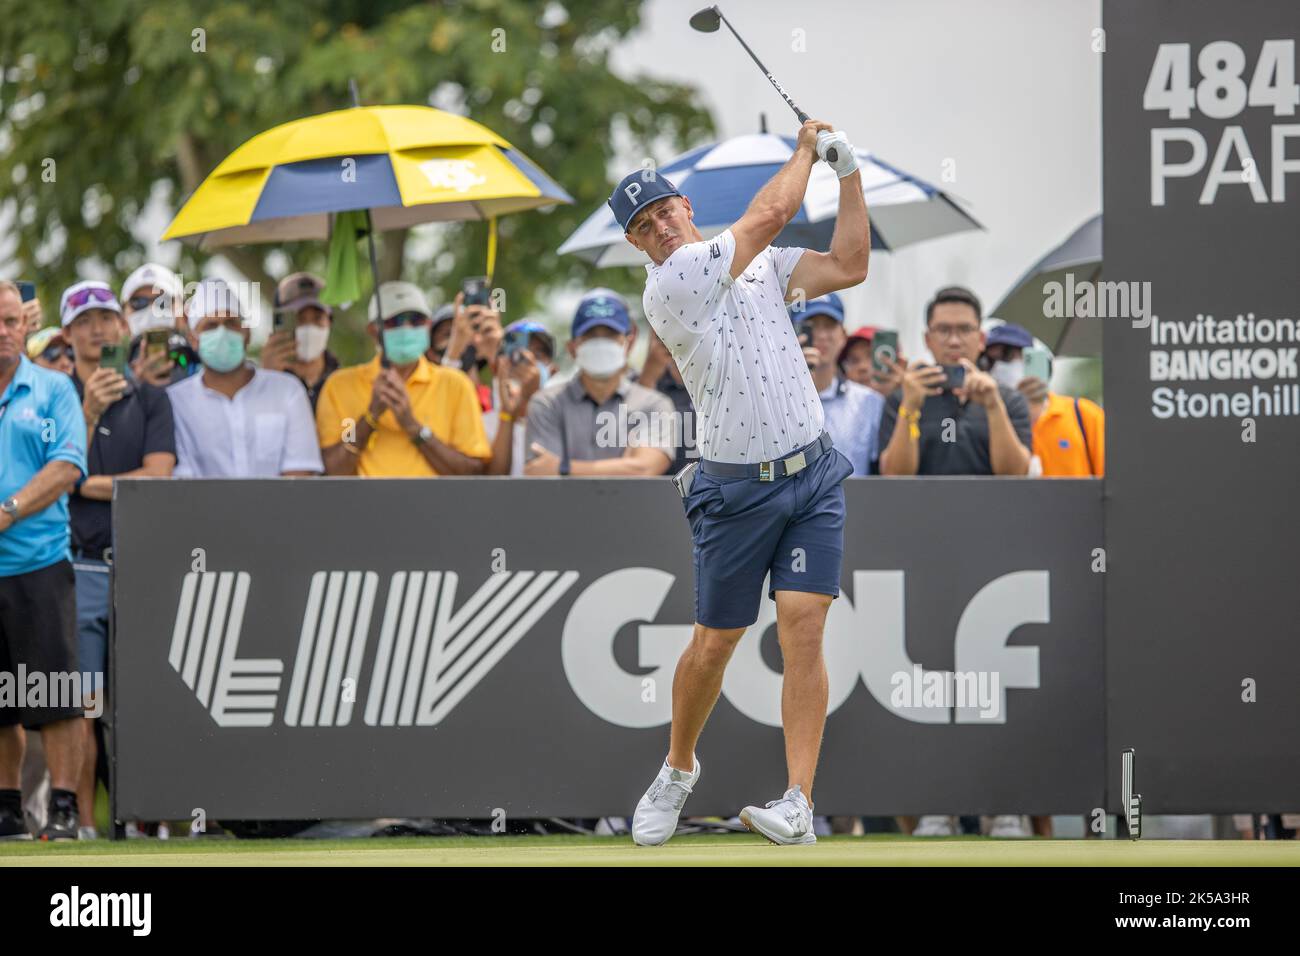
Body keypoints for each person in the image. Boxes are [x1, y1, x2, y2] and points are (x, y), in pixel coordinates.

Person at [618, 117, 869, 846]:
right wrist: (805, 153)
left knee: (804, 624)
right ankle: (678, 768)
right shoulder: (670, 287)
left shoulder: (762, 267)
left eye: (665, 209)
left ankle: (798, 802)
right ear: (637, 245)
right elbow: (768, 214)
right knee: (715, 643)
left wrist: (848, 175)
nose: (660, 226)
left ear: (687, 207)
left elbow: (849, 265)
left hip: (812, 475)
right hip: (733, 491)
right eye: (643, 224)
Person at [60, 281, 176, 838]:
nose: (98, 329)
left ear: (124, 329)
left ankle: (145, 824)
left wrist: (85, 483)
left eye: (106, 318)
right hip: (76, 566)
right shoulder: (54, 395)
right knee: (84, 703)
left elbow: (157, 478)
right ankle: (84, 826)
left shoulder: (152, 398)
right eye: (84, 322)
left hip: (140, 565)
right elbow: (53, 475)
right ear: (67, 334)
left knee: (143, 703)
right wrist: (85, 413)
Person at [0, 279, 88, 840]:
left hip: (39, 564)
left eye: (10, 321)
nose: (3, 333)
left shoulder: (54, 389)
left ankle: (60, 809)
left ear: (26, 325)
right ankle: (7, 807)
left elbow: (67, 466)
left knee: (54, 695)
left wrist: (7, 511)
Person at [316, 281, 491, 477]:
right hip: (365, 506)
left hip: (436, 506)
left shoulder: (455, 384)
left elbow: (474, 471)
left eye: (416, 320)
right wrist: (369, 418)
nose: (407, 328)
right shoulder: (340, 386)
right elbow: (333, 469)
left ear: (427, 325)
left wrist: (414, 427)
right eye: (394, 321)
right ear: (374, 331)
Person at [168, 278, 322, 477]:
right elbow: (183, 485)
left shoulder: (287, 392)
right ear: (193, 339)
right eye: (210, 326)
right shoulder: (176, 401)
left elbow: (298, 477)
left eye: (231, 323)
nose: (222, 332)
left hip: (281, 508)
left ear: (247, 332)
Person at [878, 287, 1032, 477]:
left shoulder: (1009, 400)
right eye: (943, 330)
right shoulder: (902, 399)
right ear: (927, 339)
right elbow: (894, 477)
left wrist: (993, 406)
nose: (954, 341)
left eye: (965, 329)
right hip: (920, 506)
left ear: (981, 338)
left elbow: (1016, 475)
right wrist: (910, 406)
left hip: (990, 506)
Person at [524, 290, 676, 477]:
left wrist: (562, 468)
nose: (601, 341)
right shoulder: (546, 403)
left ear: (628, 343)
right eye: (591, 335)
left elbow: (645, 468)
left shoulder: (655, 404)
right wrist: (625, 465)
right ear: (572, 348)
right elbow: (541, 475)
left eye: (610, 334)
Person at [980, 323, 1106, 477]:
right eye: (989, 361)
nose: (999, 366)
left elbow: (1112, 483)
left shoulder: (1084, 414)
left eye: (1007, 355)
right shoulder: (985, 420)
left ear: (1036, 357)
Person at [790, 293, 884, 476]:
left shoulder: (870, 402)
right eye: (811, 326)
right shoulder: (774, 402)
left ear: (843, 335)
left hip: (856, 503)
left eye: (830, 325)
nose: (822, 335)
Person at [260, 272, 339, 412]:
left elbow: (349, 433)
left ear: (330, 322)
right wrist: (266, 381)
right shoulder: (262, 381)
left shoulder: (345, 382)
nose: (309, 327)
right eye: (299, 318)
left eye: (318, 318)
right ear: (279, 323)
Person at [120, 263, 197, 389]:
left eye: (163, 300)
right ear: (122, 322)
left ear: (185, 314)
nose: (152, 308)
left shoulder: (204, 370)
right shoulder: (113, 380)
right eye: (138, 302)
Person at [635, 327, 697, 472]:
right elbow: (619, 435)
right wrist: (648, 377)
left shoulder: (722, 381)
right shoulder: (639, 383)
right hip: (658, 488)